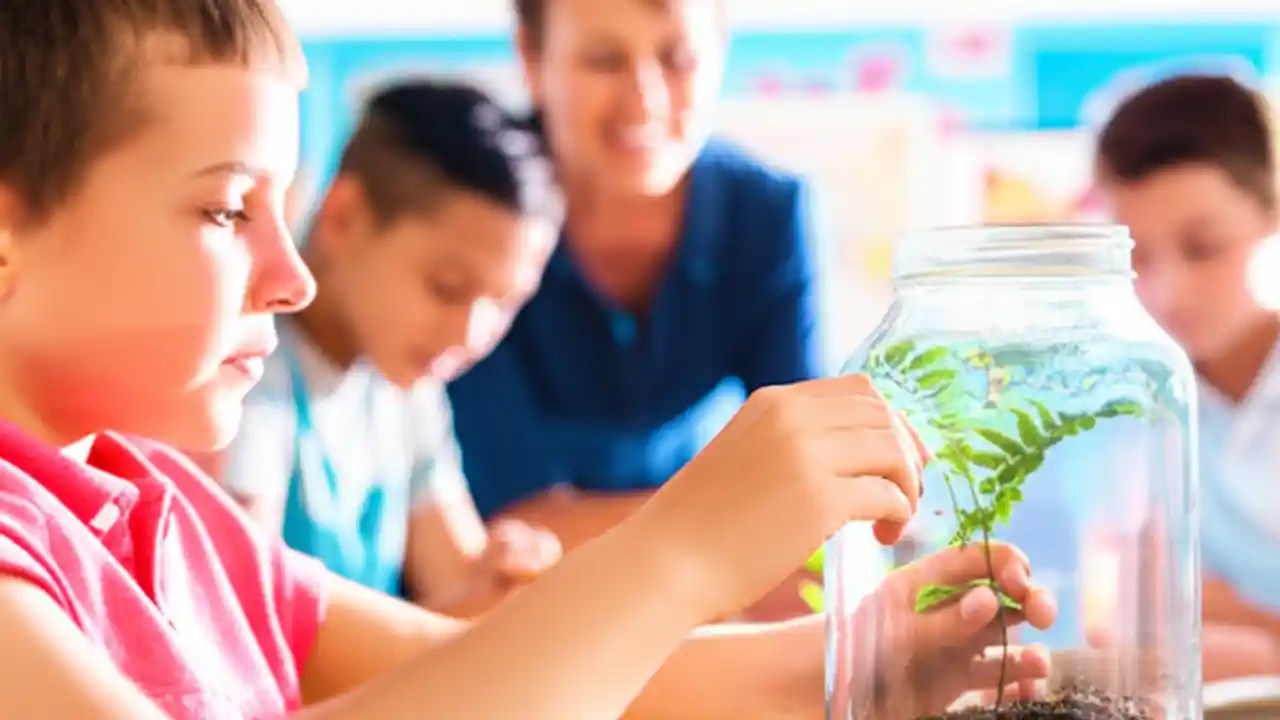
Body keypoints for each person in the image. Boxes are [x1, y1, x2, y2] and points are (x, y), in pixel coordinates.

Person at [0, 2, 1058, 718]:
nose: (295, 274)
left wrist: (843, 665)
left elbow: (460, 673)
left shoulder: (172, 511)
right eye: (228, 208)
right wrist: (678, 551)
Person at [445, 0, 832, 617]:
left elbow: (812, 490)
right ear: (531, 58)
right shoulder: (471, 211)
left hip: (685, 606)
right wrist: (742, 528)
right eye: (603, 60)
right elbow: (512, 527)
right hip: (498, 610)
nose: (644, 99)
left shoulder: (766, 212)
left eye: (678, 59)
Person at [211, 80, 563, 617]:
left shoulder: (405, 385)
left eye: (505, 302)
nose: (469, 335)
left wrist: (505, 579)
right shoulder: (248, 377)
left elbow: (458, 578)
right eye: (446, 287)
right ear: (344, 217)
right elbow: (251, 628)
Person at [1095, 73, 1280, 681]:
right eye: (1137, 256)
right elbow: (1124, 612)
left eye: (1205, 247)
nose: (1168, 290)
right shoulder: (1139, 404)